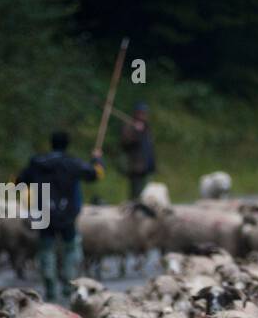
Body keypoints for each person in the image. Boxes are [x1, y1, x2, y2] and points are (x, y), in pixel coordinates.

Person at [17, 131, 104, 302]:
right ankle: (68, 284)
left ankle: (50, 287)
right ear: (67, 144)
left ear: (51, 143)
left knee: (46, 249)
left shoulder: (37, 163)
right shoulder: (73, 163)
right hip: (67, 214)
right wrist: (97, 159)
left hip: (44, 213)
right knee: (71, 247)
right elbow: (96, 174)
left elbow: (16, 183)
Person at [119, 101, 156, 200]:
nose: (143, 115)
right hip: (136, 165)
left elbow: (150, 145)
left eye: (144, 113)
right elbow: (125, 144)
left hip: (147, 164)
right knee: (136, 192)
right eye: (141, 113)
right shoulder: (129, 126)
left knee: (147, 192)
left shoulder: (147, 127)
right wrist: (136, 132)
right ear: (136, 113)